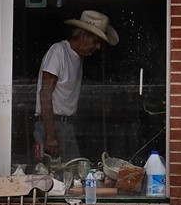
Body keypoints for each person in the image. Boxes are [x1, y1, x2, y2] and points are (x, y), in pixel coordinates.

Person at [34, 9, 119, 161]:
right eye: (96, 41)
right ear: (84, 36)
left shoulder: (78, 58)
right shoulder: (59, 51)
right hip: (52, 126)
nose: (98, 47)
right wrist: (51, 136)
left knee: (72, 173)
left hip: (64, 126)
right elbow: (45, 94)